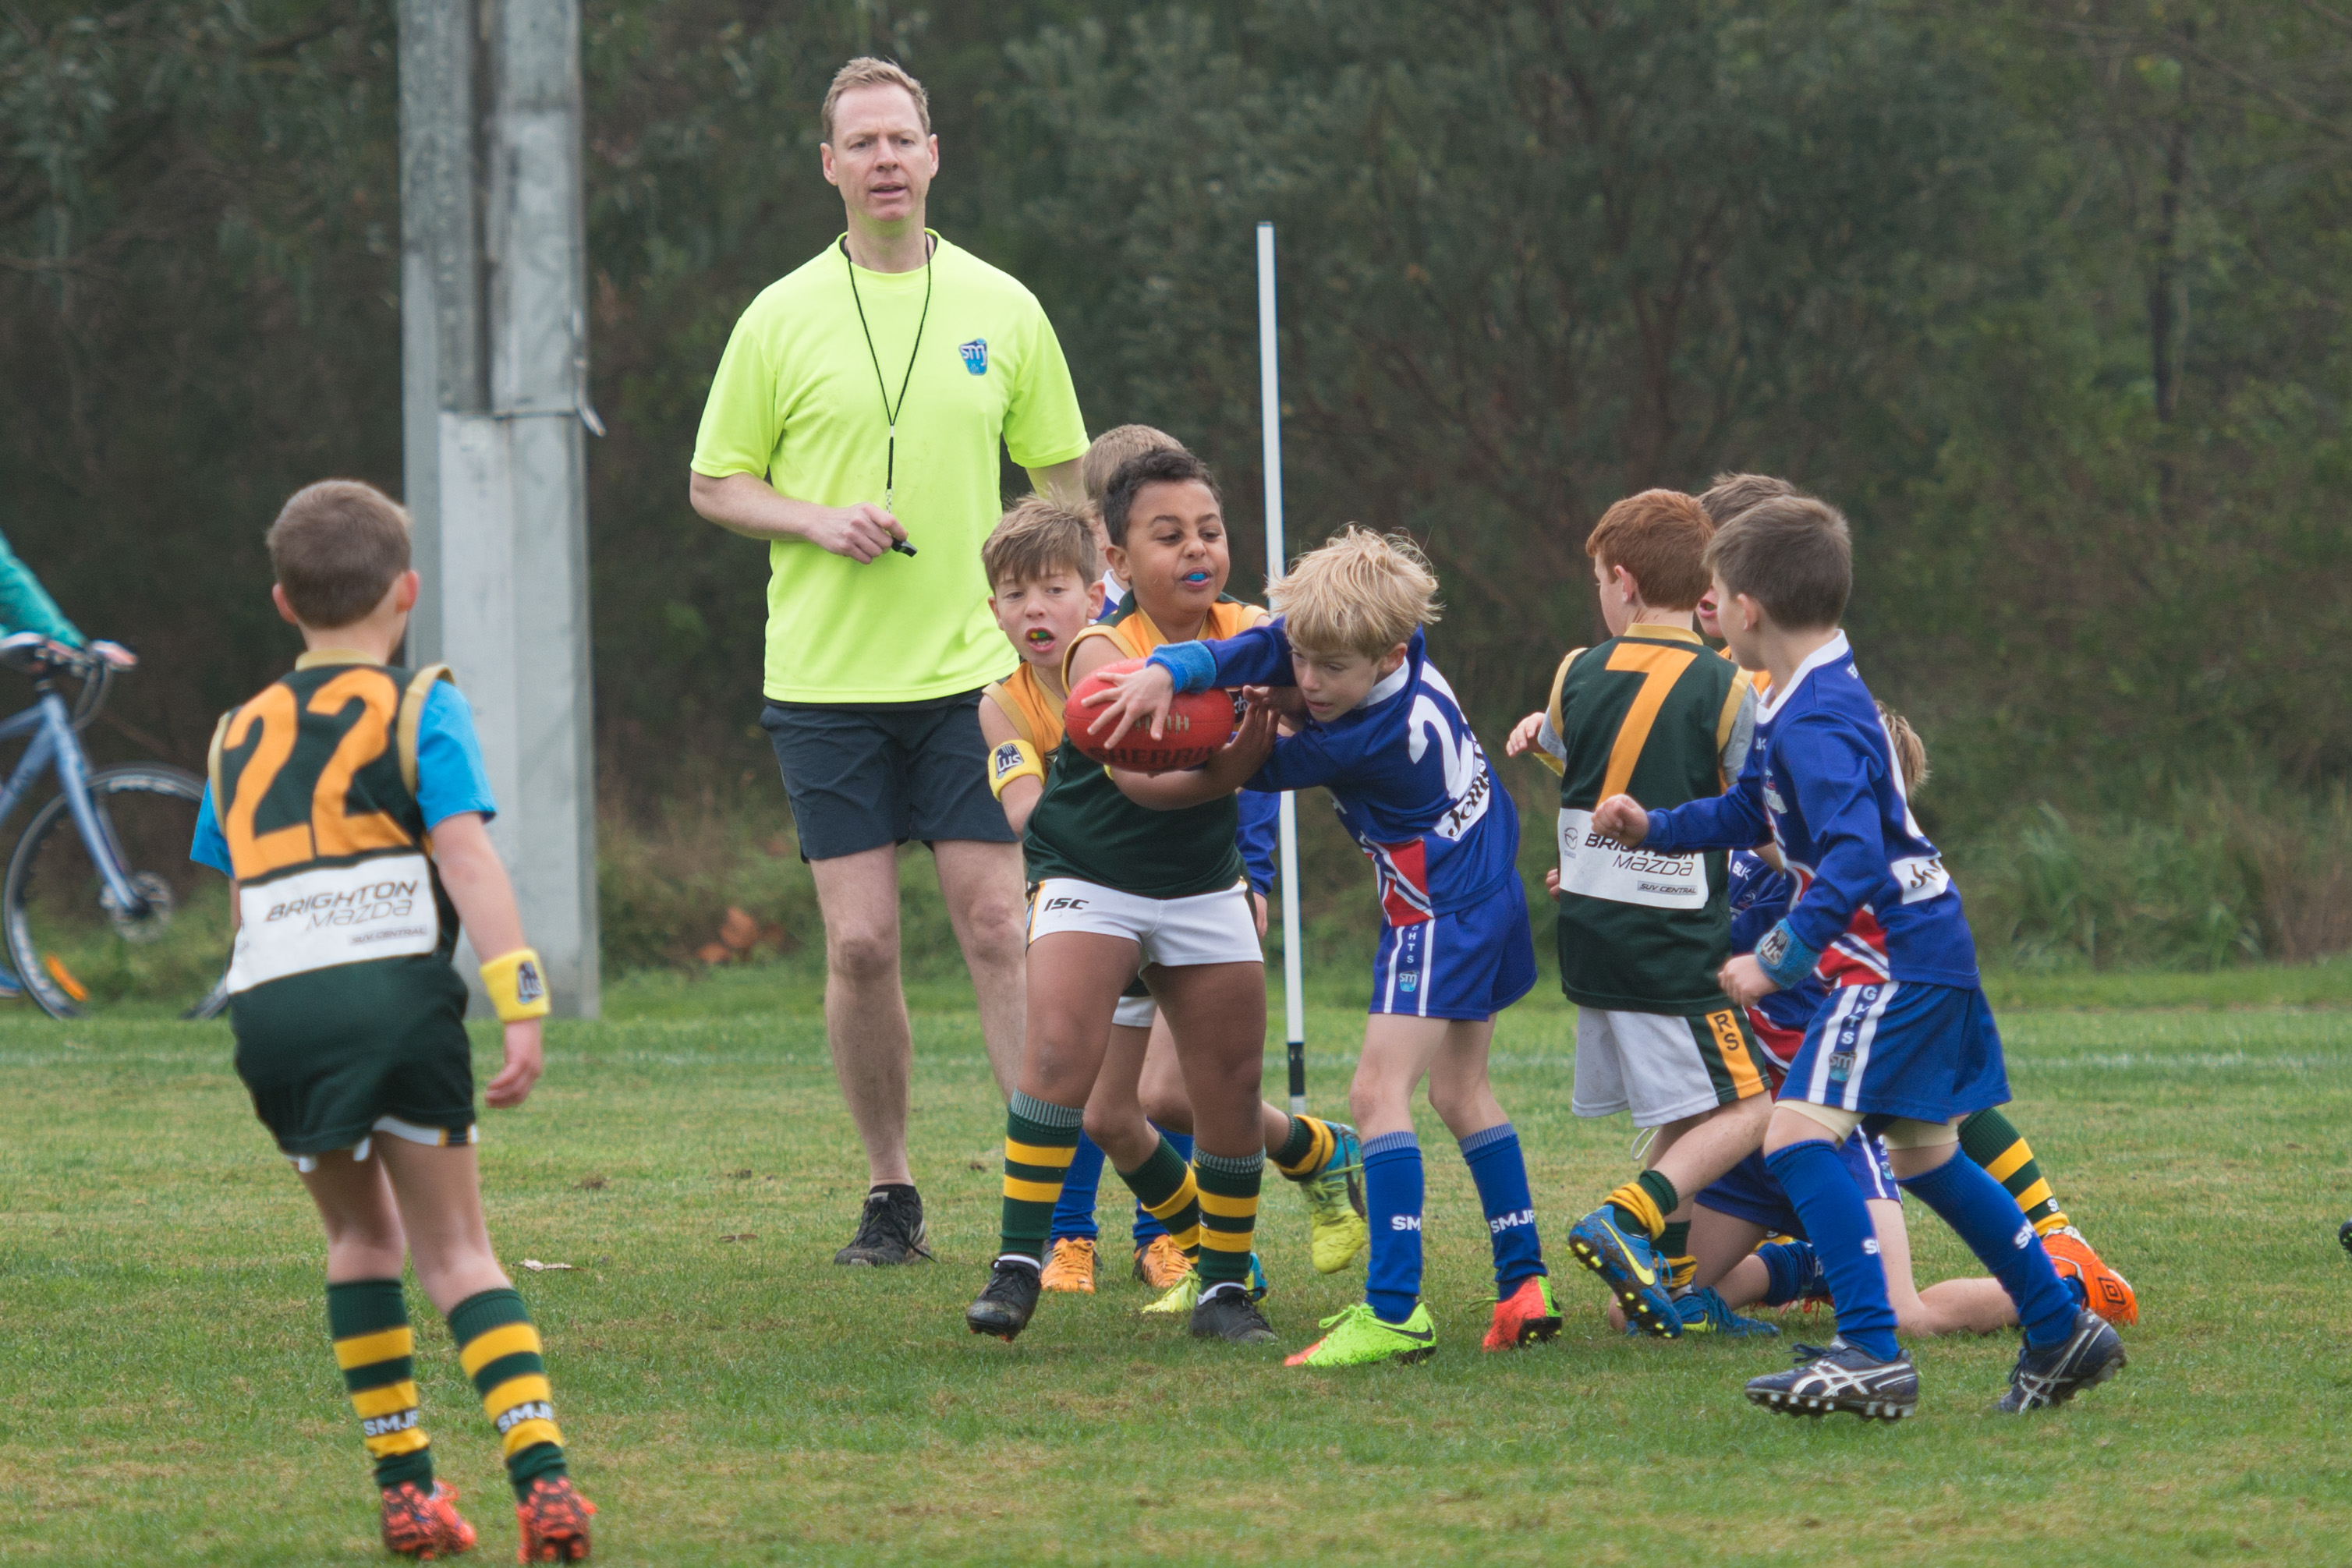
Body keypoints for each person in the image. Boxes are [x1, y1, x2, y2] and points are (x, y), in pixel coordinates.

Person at [1592, 492, 2127, 1418]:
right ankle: (2059, 1322)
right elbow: (1748, 816)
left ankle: (1870, 1351)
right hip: (1926, 953)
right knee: (1927, 1159)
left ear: (1750, 608)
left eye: (1718, 597)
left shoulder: (1814, 721)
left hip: (1889, 966)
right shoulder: (1811, 697)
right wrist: (1654, 826)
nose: (1713, 613)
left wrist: (1779, 955)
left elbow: (1851, 857)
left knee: (1798, 1134)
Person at [687, 57, 1092, 1266]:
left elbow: (1062, 487)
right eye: (859, 144)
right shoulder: (777, 315)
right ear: (829, 166)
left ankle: (1048, 1204)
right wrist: (817, 518)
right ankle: (891, 1189)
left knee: (994, 924)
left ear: (933, 152)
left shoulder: (1004, 306)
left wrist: (1066, 615)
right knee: (861, 942)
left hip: (975, 677)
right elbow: (714, 483)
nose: (883, 161)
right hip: (823, 681)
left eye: (900, 140)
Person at [187, 481, 593, 1560]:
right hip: (394, 994)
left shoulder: (234, 731)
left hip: (274, 1005)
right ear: (406, 591)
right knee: (456, 1250)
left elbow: (238, 902)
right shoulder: (420, 704)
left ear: (284, 601)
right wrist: (520, 997)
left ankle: (406, 1488)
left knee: (360, 1238)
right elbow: (466, 856)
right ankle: (543, 1479)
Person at [1087, 527, 1558, 1368]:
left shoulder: (1364, 738)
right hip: (1491, 888)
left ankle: (1394, 1310)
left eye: (1330, 668)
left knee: (1376, 1093)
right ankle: (1524, 1284)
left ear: (1385, 657)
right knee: (1461, 1093)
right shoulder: (1386, 645)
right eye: (1302, 657)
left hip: (1437, 910)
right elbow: (1264, 644)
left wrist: (1145, 743)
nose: (1308, 679)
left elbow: (1236, 765)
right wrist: (1169, 670)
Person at [965, 448, 1347, 1347]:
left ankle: (1223, 1289)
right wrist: (1241, 762)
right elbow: (1144, 787)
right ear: (1119, 563)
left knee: (1225, 1084)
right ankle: (1019, 1262)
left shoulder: (1252, 629)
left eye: (1208, 531)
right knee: (1061, 1057)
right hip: (1090, 875)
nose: (1194, 549)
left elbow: (1330, 671)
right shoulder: (1106, 647)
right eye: (1167, 534)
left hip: (1200, 881)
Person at [1500, 490, 1765, 1337]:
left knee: (1685, 1115)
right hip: (1675, 944)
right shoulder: (1726, 686)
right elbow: (1752, 808)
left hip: (1588, 937)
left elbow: (1586, 789)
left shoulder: (1575, 670)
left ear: (1621, 582)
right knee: (1747, 1105)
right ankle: (1626, 1212)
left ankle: (1669, 1286)